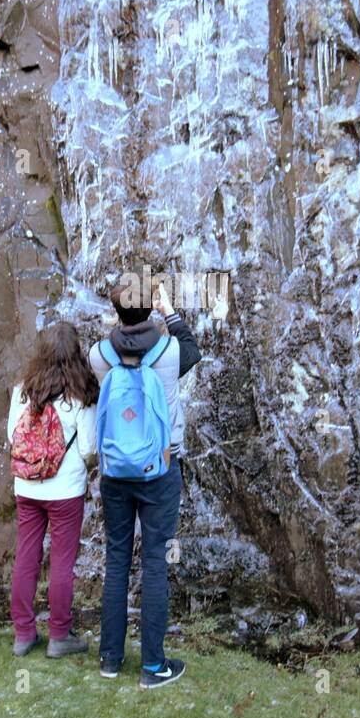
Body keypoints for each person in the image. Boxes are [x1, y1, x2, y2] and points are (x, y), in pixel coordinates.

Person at [89, 278, 202, 688]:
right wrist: (168, 309)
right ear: (150, 309)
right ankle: (153, 666)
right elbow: (192, 346)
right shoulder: (169, 351)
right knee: (156, 562)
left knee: (117, 559)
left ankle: (110, 658)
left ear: (116, 311)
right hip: (160, 468)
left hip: (115, 472)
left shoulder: (98, 355)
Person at [6, 322, 98, 658]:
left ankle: (23, 633)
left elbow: (11, 437)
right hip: (65, 490)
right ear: (75, 355)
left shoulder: (23, 389)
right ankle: (60, 635)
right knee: (61, 561)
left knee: (27, 557)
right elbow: (89, 447)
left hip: (27, 487)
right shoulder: (81, 395)